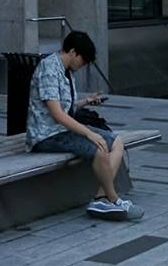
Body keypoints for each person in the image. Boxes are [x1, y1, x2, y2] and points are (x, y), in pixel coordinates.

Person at [25, 29, 135, 219]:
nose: (82, 65)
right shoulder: (49, 69)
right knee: (99, 147)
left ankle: (101, 199)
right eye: (83, 60)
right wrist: (89, 134)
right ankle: (114, 199)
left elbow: (65, 108)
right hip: (47, 135)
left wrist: (87, 101)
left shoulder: (66, 71)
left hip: (62, 129)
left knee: (117, 142)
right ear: (73, 52)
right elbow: (57, 114)